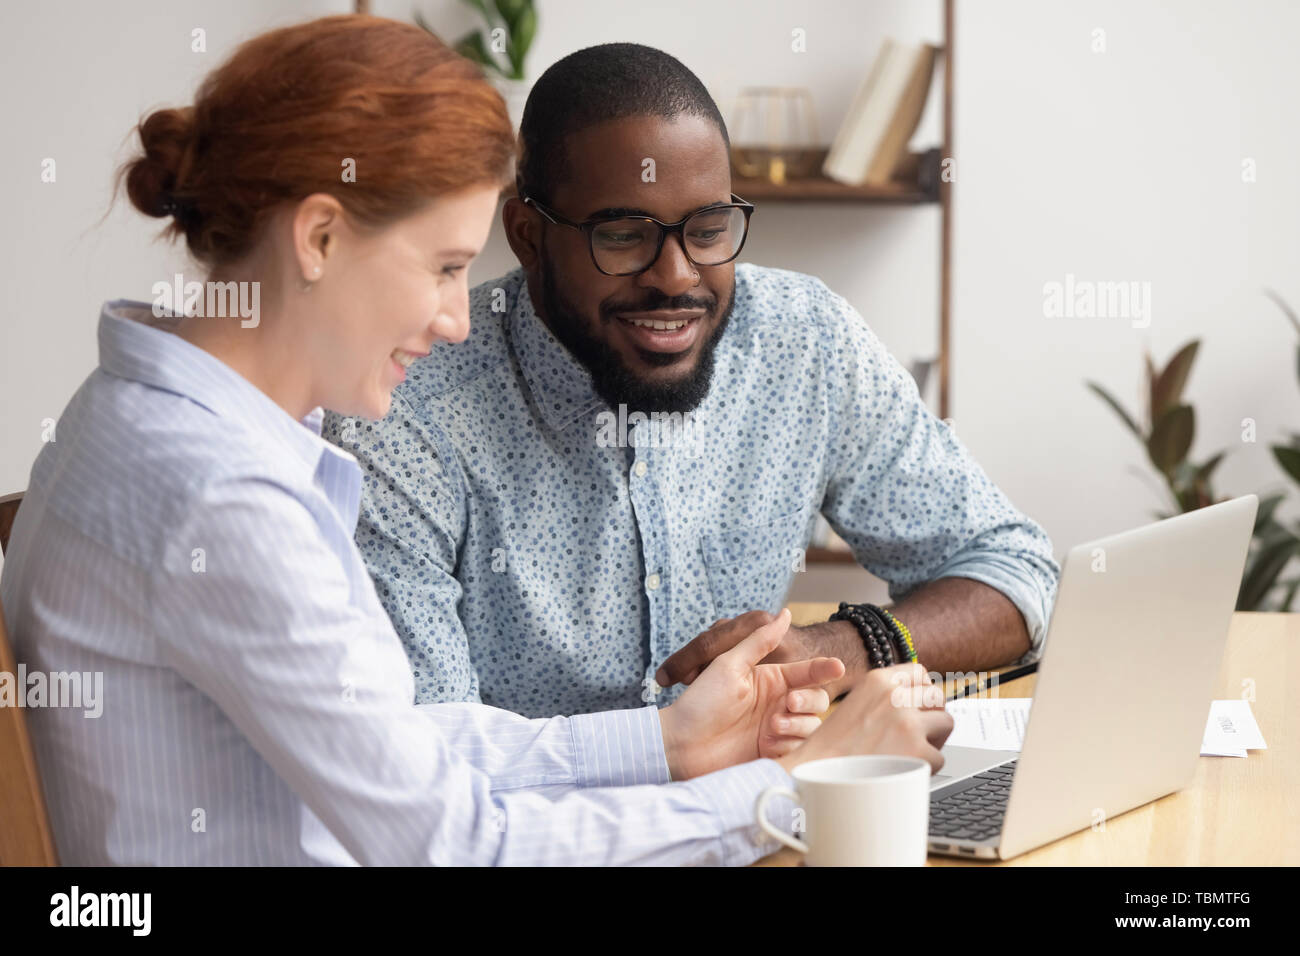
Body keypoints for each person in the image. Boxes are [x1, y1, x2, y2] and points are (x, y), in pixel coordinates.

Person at [0, 15, 952, 866]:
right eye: (446, 267)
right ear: (319, 239)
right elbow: (459, 845)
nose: (460, 317)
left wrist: (669, 745)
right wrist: (804, 785)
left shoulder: (139, 417)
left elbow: (401, 750)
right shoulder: (218, 494)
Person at [323, 43, 1062, 719]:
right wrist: (681, 760)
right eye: (623, 236)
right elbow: (433, 759)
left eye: (707, 230)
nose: (675, 279)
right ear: (527, 234)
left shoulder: (804, 341)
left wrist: (842, 646)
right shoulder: (406, 405)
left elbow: (1015, 572)